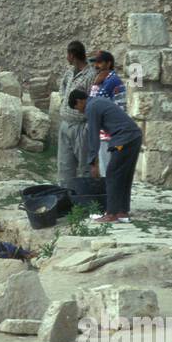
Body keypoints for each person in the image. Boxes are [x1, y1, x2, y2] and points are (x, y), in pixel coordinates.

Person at [69, 88, 143, 224]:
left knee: (112, 174)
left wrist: (92, 162)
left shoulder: (91, 107)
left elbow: (93, 136)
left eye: (77, 108)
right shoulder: (98, 101)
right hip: (134, 136)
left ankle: (111, 213)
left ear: (79, 101)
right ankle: (122, 211)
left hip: (124, 140)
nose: (80, 111)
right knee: (125, 175)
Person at [55, 40, 98, 185]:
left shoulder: (91, 75)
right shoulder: (69, 73)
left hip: (81, 127)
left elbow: (93, 99)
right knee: (64, 166)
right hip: (65, 125)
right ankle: (66, 198)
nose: (66, 57)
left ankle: (86, 201)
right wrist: (63, 101)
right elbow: (62, 88)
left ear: (72, 55)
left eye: (67, 54)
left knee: (85, 166)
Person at [88, 50, 127, 178]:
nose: (96, 66)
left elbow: (96, 103)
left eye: (99, 63)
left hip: (111, 134)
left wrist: (95, 84)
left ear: (108, 63)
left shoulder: (113, 81)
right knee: (105, 168)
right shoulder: (103, 80)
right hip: (104, 133)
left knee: (109, 170)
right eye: (95, 63)